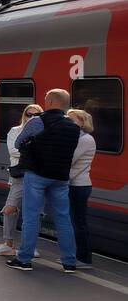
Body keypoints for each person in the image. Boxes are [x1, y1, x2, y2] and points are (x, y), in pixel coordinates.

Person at [8, 89, 81, 273]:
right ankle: (69, 262)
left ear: (49, 102)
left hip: (37, 174)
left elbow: (18, 143)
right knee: (63, 219)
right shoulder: (73, 127)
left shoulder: (37, 121)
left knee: (31, 218)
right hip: (61, 177)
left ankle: (24, 259)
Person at [0, 103, 43, 257]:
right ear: (24, 115)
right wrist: (35, 153)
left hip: (37, 175)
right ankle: (8, 244)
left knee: (34, 212)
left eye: (36, 115)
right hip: (19, 175)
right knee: (9, 209)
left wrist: (27, 151)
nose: (31, 117)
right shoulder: (15, 131)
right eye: (29, 114)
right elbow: (13, 150)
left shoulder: (44, 132)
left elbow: (21, 151)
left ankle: (30, 246)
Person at [67, 108, 96, 267]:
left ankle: (84, 258)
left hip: (79, 185)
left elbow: (69, 159)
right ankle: (74, 255)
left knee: (78, 222)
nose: (68, 121)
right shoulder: (75, 137)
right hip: (73, 184)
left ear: (82, 122)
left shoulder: (86, 139)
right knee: (73, 221)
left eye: (72, 119)